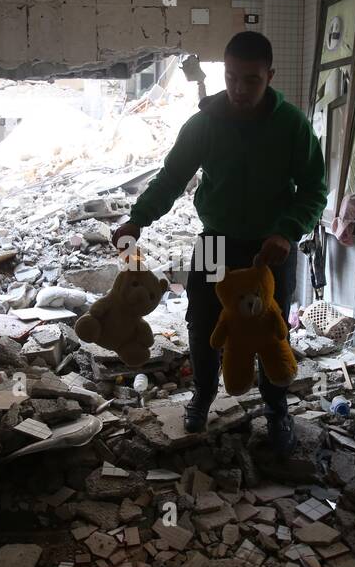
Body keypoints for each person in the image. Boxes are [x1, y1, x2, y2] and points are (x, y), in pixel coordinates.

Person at [111, 32, 327, 455]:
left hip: (270, 249)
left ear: (270, 76)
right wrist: (136, 220)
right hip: (215, 242)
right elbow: (170, 180)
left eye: (251, 80)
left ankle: (276, 408)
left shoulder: (292, 126)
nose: (239, 90)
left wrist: (287, 230)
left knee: (270, 328)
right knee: (203, 323)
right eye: (231, 78)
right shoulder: (204, 124)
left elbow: (315, 190)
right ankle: (203, 396)